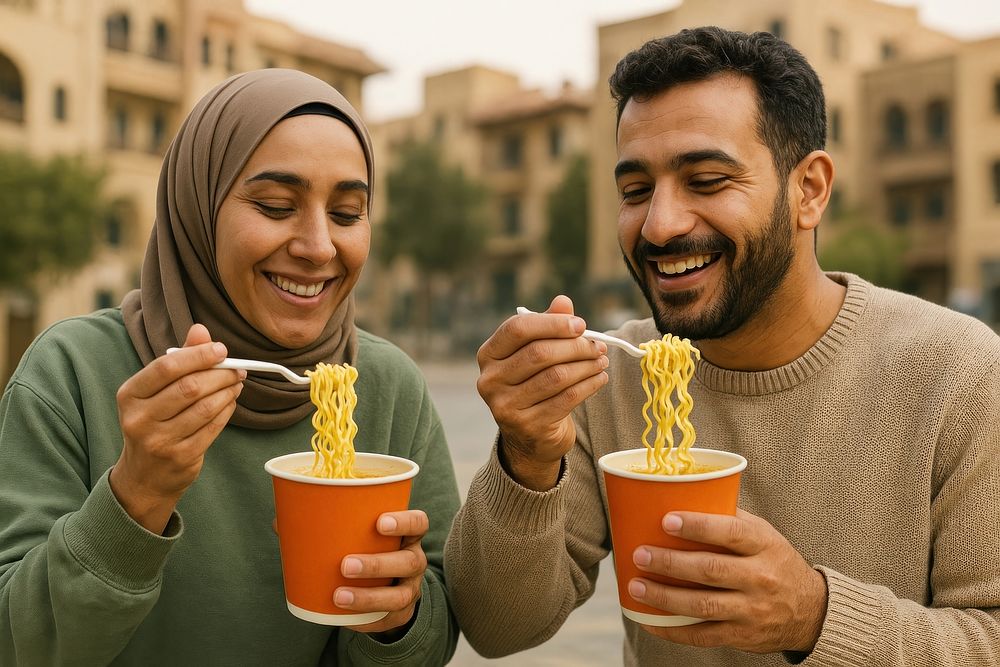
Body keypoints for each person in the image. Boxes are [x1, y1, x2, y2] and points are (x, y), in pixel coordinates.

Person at [445, 26, 1000, 666]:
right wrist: (526, 458)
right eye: (635, 190)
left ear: (809, 190)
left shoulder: (960, 372)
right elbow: (496, 627)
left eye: (706, 180)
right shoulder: (610, 377)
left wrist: (813, 616)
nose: (660, 224)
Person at [0, 69, 460, 665]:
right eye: (275, 205)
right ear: (199, 204)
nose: (319, 246)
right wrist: (137, 494)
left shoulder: (388, 384)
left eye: (347, 213)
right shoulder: (72, 371)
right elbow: (16, 645)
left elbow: (436, 630)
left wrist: (395, 619)